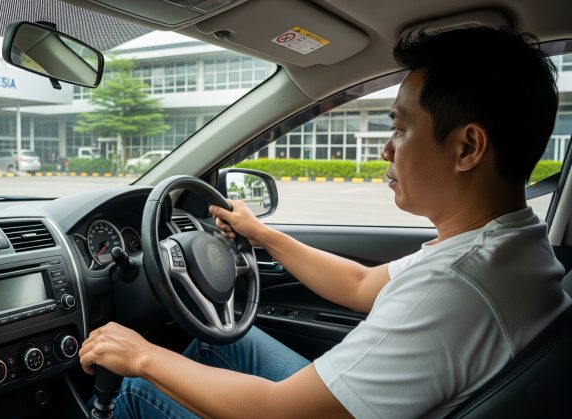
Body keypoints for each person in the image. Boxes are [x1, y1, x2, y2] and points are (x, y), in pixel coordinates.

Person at [78, 26, 571, 418]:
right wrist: (264, 235)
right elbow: (361, 283)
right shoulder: (510, 244)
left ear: (467, 148)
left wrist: (140, 355)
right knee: (228, 341)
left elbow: (279, 413)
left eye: (400, 128)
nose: (385, 149)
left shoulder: (453, 288)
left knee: (143, 389)